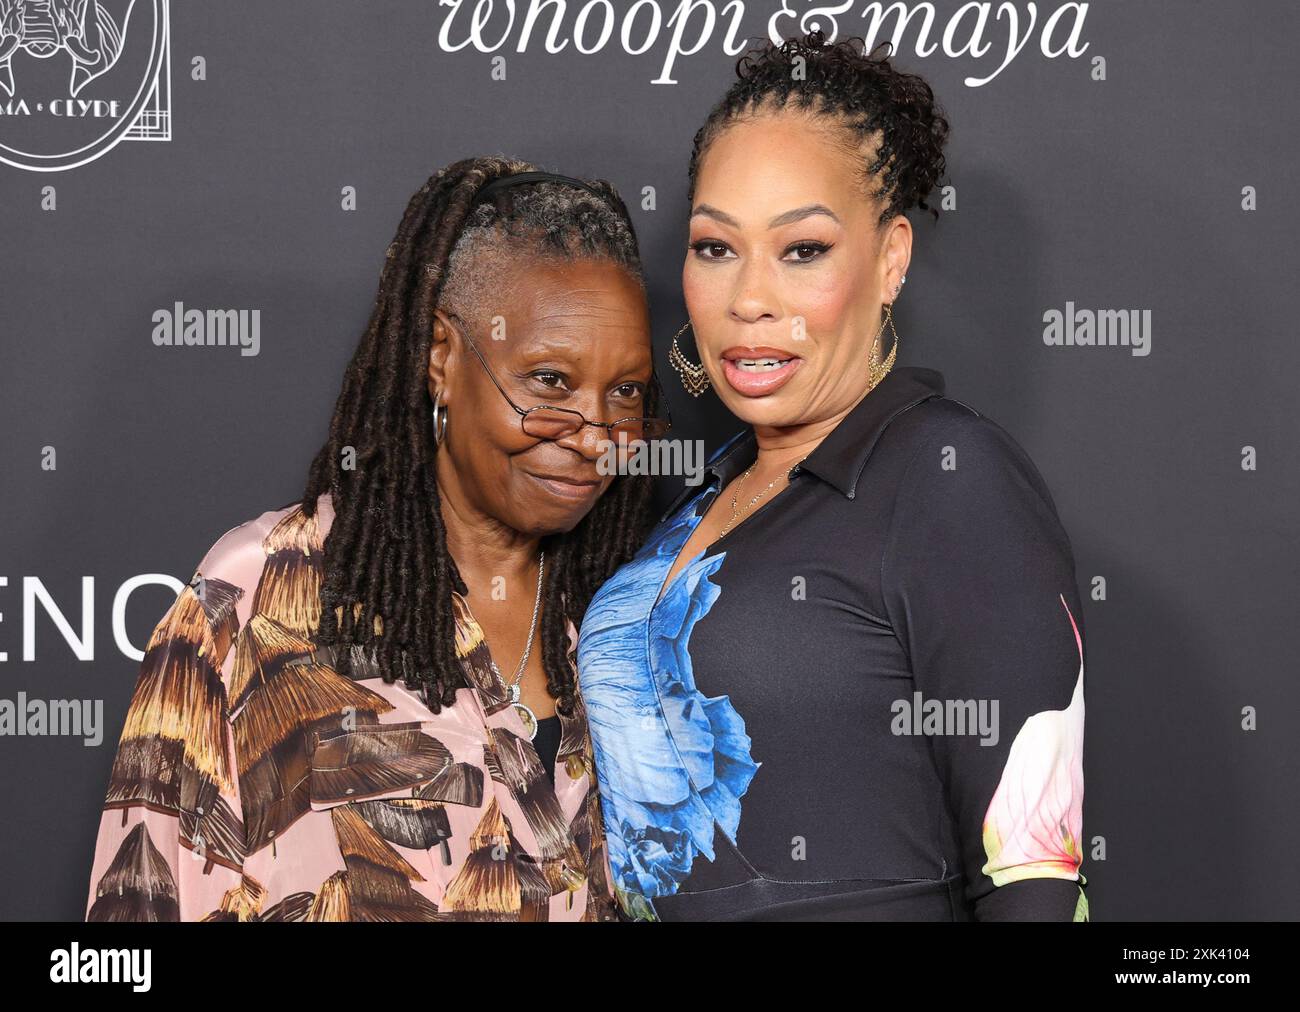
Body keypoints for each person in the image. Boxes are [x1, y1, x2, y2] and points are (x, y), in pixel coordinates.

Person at [577, 32, 1090, 921]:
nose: (749, 299)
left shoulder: (949, 478)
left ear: (891, 259)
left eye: (803, 249)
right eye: (714, 247)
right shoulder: (692, 505)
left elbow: (1033, 879)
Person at [85, 157, 668, 921]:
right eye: (550, 383)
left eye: (624, 393)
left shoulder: (627, 617)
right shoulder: (260, 593)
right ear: (441, 358)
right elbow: (138, 906)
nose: (595, 438)